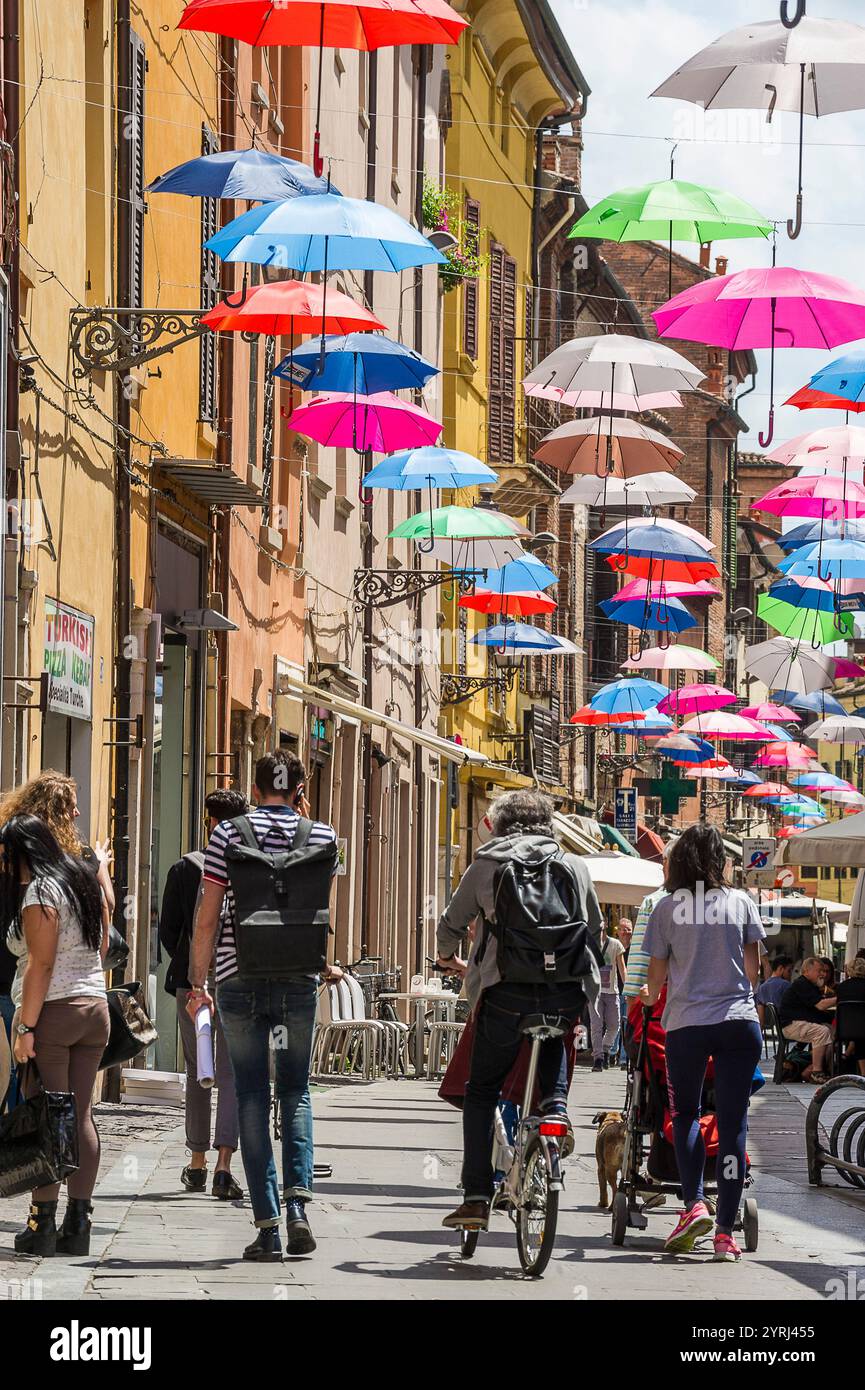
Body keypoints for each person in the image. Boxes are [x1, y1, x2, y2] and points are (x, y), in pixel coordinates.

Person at [187, 752, 341, 1263]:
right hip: (298, 979)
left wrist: (196, 983)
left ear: (255, 788)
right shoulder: (322, 836)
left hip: (238, 981)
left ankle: (268, 1223)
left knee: (252, 1095)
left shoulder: (227, 835)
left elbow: (207, 916)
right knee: (295, 1091)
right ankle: (299, 1207)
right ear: (299, 789)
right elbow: (316, 910)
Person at [435, 789, 603, 1232]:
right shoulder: (575, 866)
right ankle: (556, 1111)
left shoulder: (487, 865)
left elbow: (450, 924)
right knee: (554, 1034)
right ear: (549, 825)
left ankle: (475, 1197)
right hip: (563, 995)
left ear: (502, 825)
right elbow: (596, 933)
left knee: (482, 1089)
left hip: (504, 994)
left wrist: (447, 956)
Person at [641, 823, 765, 1264]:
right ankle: (726, 1234)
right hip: (738, 1023)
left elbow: (655, 981)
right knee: (733, 1127)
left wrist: (648, 995)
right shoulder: (742, 902)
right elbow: (752, 972)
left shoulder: (665, 908)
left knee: (686, 1115)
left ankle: (693, 1203)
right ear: (718, 861)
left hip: (687, 1024)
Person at [2, 814, 109, 1257]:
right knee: (80, 1114)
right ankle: (78, 1222)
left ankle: (41, 1223)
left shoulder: (41, 891)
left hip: (55, 1013)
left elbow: (40, 966)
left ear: (20, 852)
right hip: (94, 1008)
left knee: (49, 1116)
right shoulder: (81, 880)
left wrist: (25, 1027)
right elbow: (104, 943)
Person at [159, 788, 249, 1200]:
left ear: (208, 821)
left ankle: (196, 1161)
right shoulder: (250, 865)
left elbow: (168, 931)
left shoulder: (185, 868)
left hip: (193, 986)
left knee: (200, 1072)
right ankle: (224, 1166)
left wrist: (195, 971)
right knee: (231, 1073)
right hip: (238, 978)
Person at [777, 956, 837, 1085]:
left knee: (831, 1031)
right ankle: (816, 1072)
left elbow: (816, 1011)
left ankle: (821, 1071)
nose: (823, 974)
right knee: (821, 1031)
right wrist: (841, 997)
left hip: (798, 1023)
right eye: (819, 971)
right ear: (806, 971)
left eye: (824, 971)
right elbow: (820, 1005)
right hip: (790, 1025)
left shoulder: (810, 985)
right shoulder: (802, 984)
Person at [589, 919, 626, 1072]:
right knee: (596, 1026)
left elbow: (622, 968)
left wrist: (628, 988)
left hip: (612, 991)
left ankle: (605, 1049)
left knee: (614, 1025)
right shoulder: (589, 944)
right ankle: (598, 1058)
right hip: (594, 992)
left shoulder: (615, 944)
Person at [836, 957, 865, 1077]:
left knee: (859, 1036)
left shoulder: (841, 987)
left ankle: (862, 1073)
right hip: (862, 1028)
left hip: (844, 1030)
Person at [754, 955, 793, 1028]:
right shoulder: (785, 985)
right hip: (787, 1028)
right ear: (781, 968)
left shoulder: (761, 988)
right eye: (789, 971)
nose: (790, 974)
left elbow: (761, 1019)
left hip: (772, 1032)